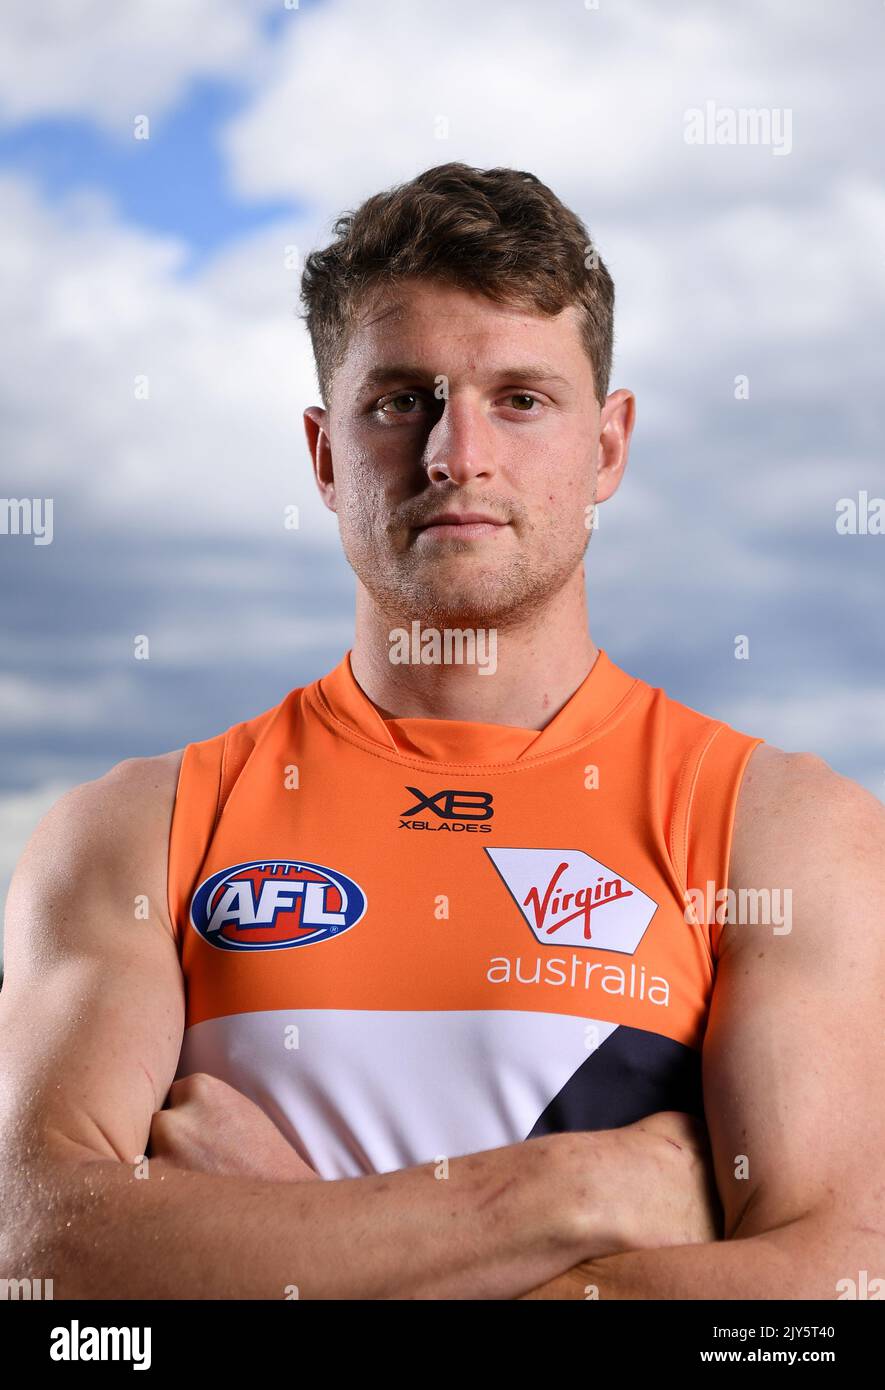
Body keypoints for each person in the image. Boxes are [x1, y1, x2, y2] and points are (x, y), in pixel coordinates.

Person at [1, 164, 882, 1301]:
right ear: (324, 454)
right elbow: (37, 1256)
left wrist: (286, 1240)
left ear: (608, 447)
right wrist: (570, 1192)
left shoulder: (779, 831)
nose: (457, 454)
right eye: (400, 399)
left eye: (520, 398)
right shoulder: (139, 831)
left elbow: (834, 1299)